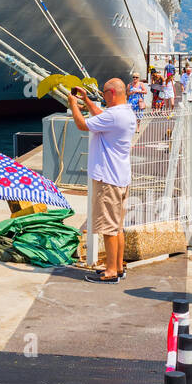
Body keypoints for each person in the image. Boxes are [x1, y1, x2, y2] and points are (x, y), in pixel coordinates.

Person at [67, 78, 136, 284]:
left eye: (104, 92)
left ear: (111, 93)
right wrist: (87, 101)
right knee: (117, 227)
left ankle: (111, 271)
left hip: (108, 178)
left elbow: (82, 125)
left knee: (108, 228)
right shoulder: (125, 113)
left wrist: (73, 105)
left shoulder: (115, 116)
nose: (102, 96)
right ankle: (119, 265)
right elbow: (101, 116)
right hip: (121, 177)